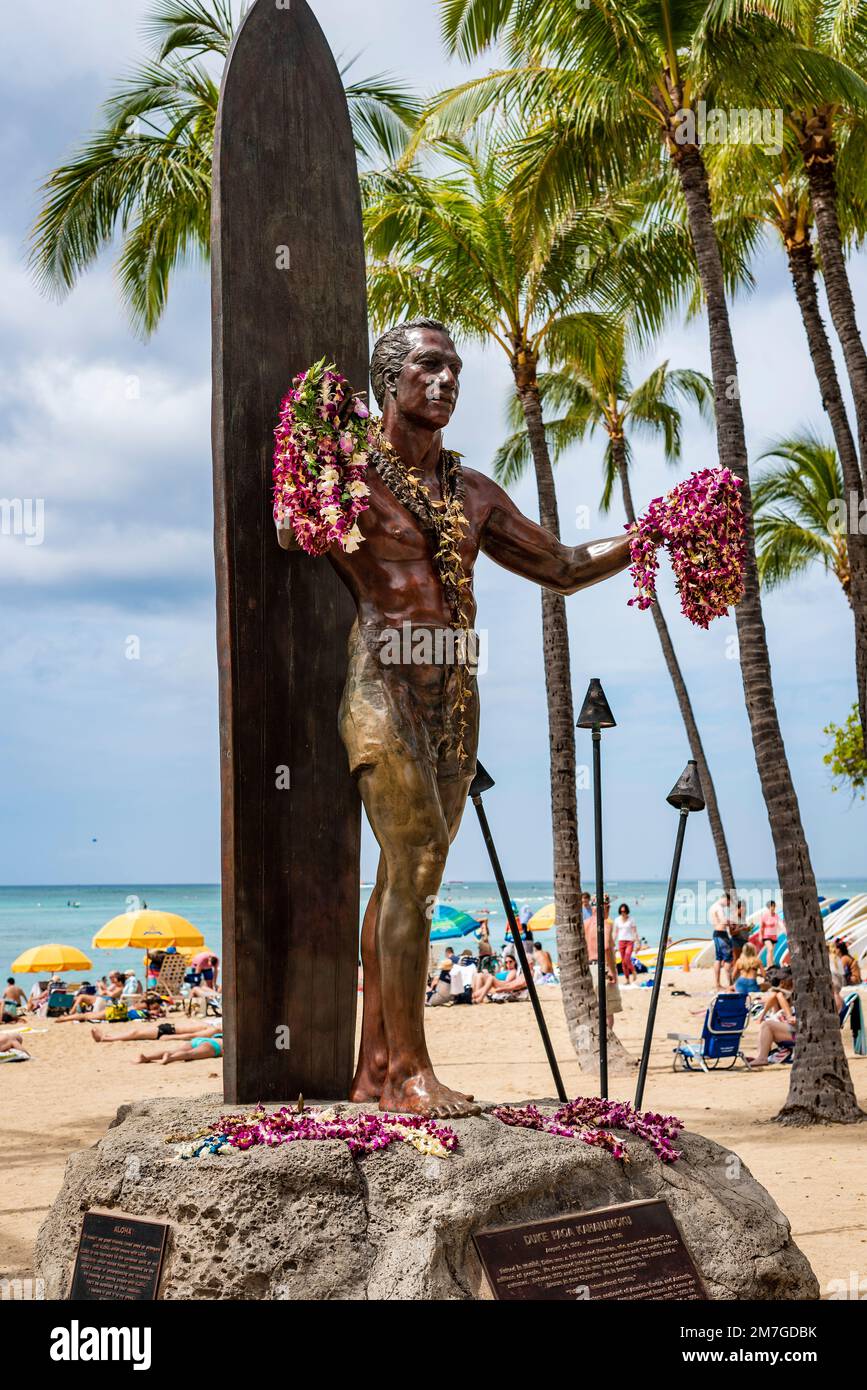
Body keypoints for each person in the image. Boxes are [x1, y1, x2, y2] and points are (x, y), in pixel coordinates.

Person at [584, 896, 622, 1030]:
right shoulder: (605, 924)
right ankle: (606, 1044)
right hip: (601, 968)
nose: (609, 910)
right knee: (607, 1012)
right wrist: (612, 970)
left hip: (588, 969)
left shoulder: (585, 924)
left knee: (594, 1010)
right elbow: (606, 947)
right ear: (605, 908)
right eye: (608, 907)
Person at [92, 1018, 223, 1044]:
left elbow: (191, 1035)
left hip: (168, 1031)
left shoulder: (213, 1029)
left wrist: (170, 1038)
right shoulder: (213, 1025)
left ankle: (105, 1039)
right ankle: (110, 1036)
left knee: (135, 1034)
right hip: (167, 1027)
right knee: (135, 1031)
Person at [134, 1033, 223, 1065]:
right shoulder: (232, 1042)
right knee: (190, 1054)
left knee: (174, 1050)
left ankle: (147, 1057)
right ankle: (170, 1058)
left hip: (200, 1040)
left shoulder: (221, 1034)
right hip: (214, 1046)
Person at [709, 891, 735, 988]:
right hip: (722, 934)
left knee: (718, 958)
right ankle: (730, 983)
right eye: (728, 903)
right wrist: (731, 923)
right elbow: (723, 921)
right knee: (728, 958)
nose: (727, 905)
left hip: (716, 933)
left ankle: (717, 983)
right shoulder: (719, 908)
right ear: (725, 899)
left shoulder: (713, 907)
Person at [615, 903, 639, 985]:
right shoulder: (617, 920)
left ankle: (633, 971)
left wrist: (638, 942)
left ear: (627, 911)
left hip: (629, 941)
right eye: (621, 911)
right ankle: (627, 979)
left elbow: (635, 931)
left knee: (627, 958)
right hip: (621, 941)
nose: (623, 912)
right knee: (623, 962)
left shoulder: (631, 919)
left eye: (624, 911)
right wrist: (612, 942)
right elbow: (616, 932)